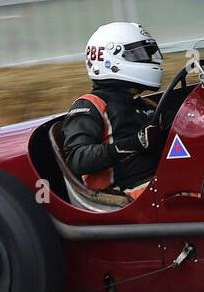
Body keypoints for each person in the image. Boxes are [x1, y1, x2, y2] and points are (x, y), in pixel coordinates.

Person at [62, 22, 165, 194]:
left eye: (148, 54)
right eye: (139, 54)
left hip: (159, 180)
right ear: (110, 59)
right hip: (126, 193)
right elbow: (76, 159)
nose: (147, 60)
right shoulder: (89, 105)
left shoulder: (143, 104)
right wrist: (135, 143)